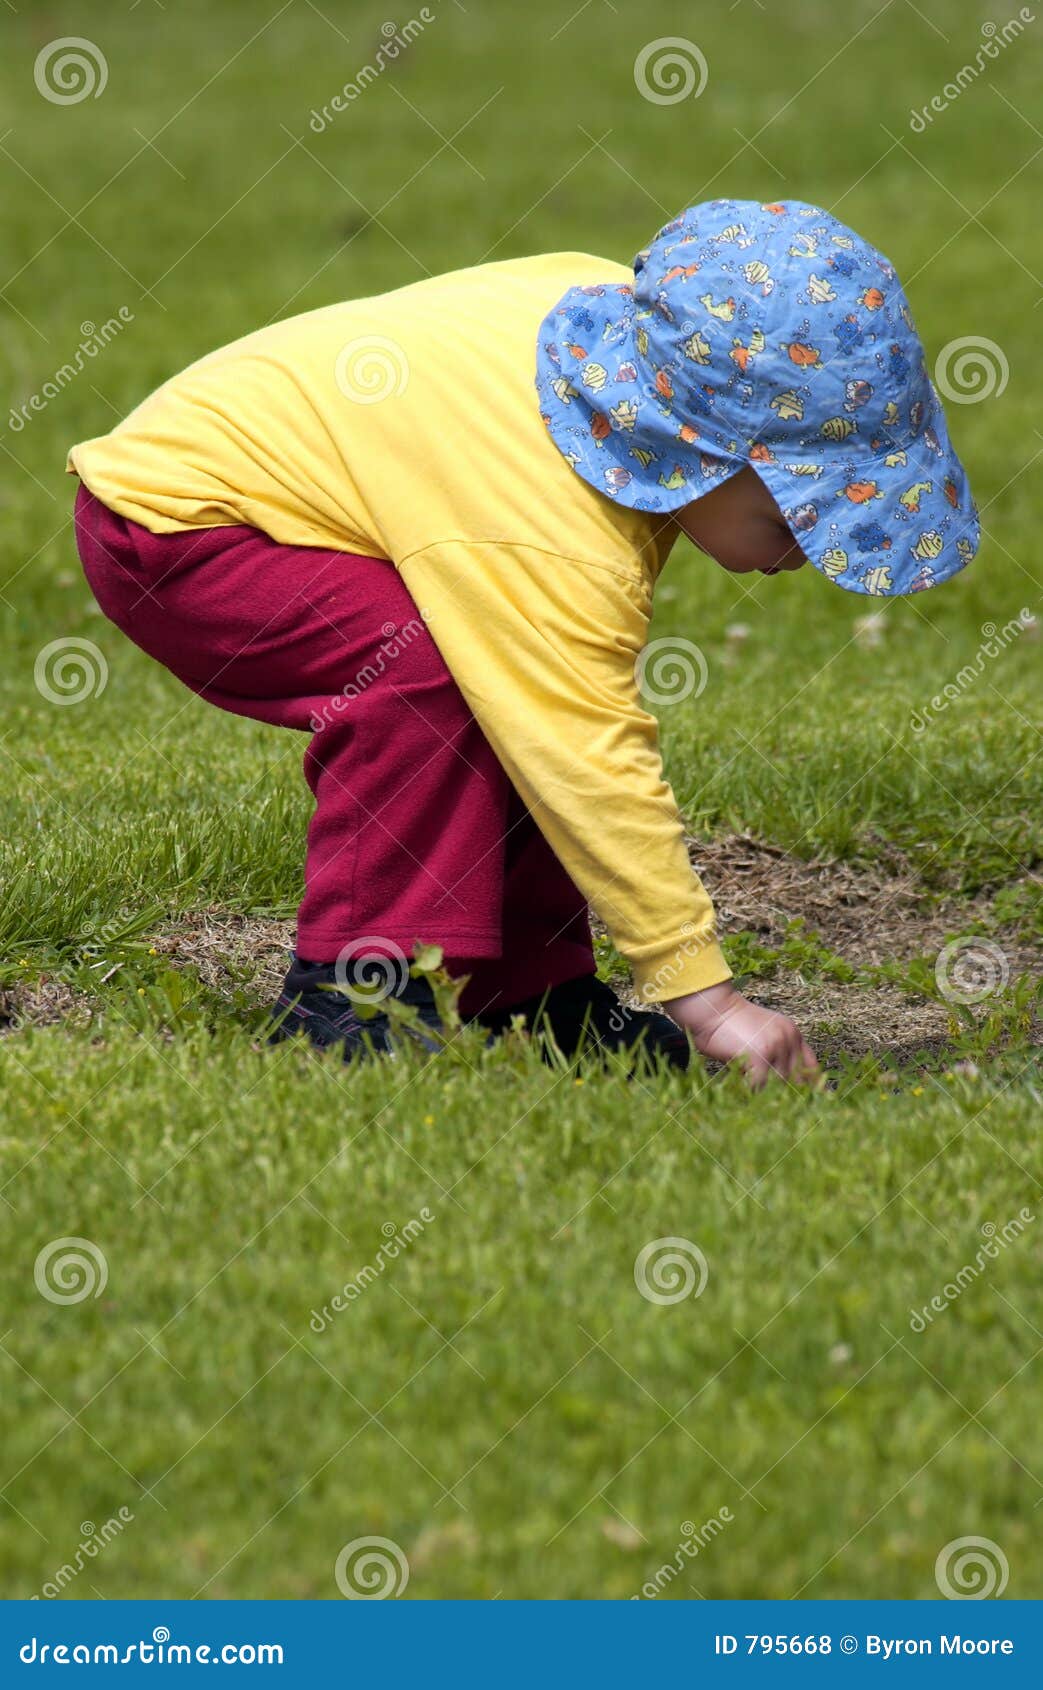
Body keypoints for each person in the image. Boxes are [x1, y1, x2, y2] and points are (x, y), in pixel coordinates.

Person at [68, 198, 978, 1083]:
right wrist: (707, 999)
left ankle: (528, 998)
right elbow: (585, 754)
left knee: (501, 687)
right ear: (701, 451)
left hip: (270, 503)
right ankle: (355, 1001)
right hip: (176, 527)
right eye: (794, 523)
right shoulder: (547, 529)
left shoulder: (623, 341)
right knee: (430, 677)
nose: (811, 556)